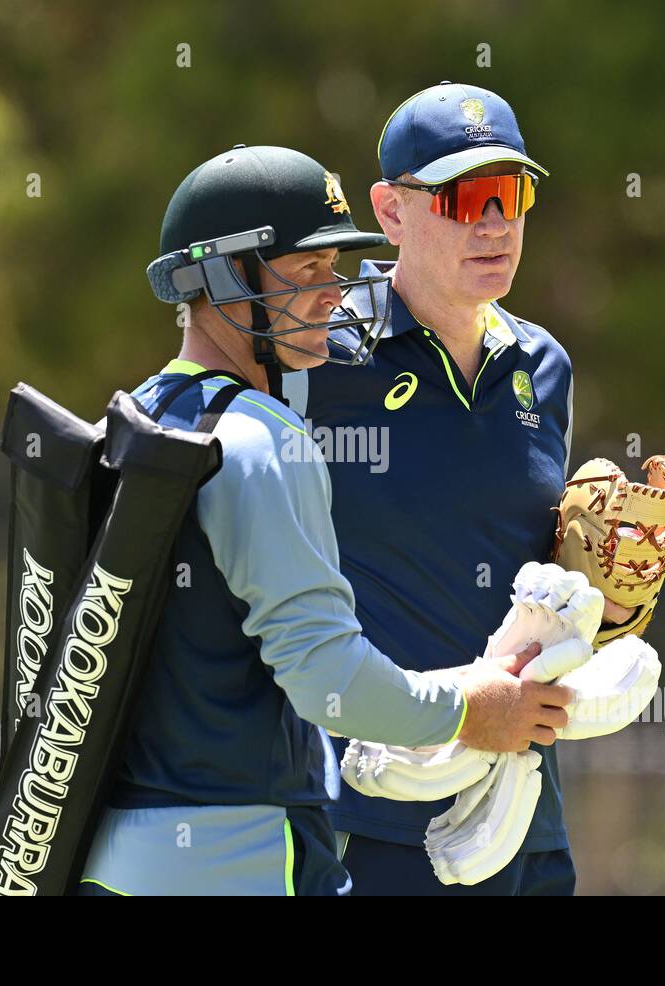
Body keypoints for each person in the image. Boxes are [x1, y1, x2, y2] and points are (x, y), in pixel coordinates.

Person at [76, 143, 578, 896]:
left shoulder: (138, 416)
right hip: (244, 855)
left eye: (333, 267)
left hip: (117, 858)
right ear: (222, 277)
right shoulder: (266, 440)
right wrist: (472, 710)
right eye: (305, 270)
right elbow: (327, 678)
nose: (331, 294)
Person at [283, 83, 633, 895]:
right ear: (391, 211)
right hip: (366, 813)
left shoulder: (545, 366)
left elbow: (538, 584)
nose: (495, 224)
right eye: (464, 198)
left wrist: (612, 603)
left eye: (512, 195)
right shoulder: (314, 352)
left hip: (523, 815)